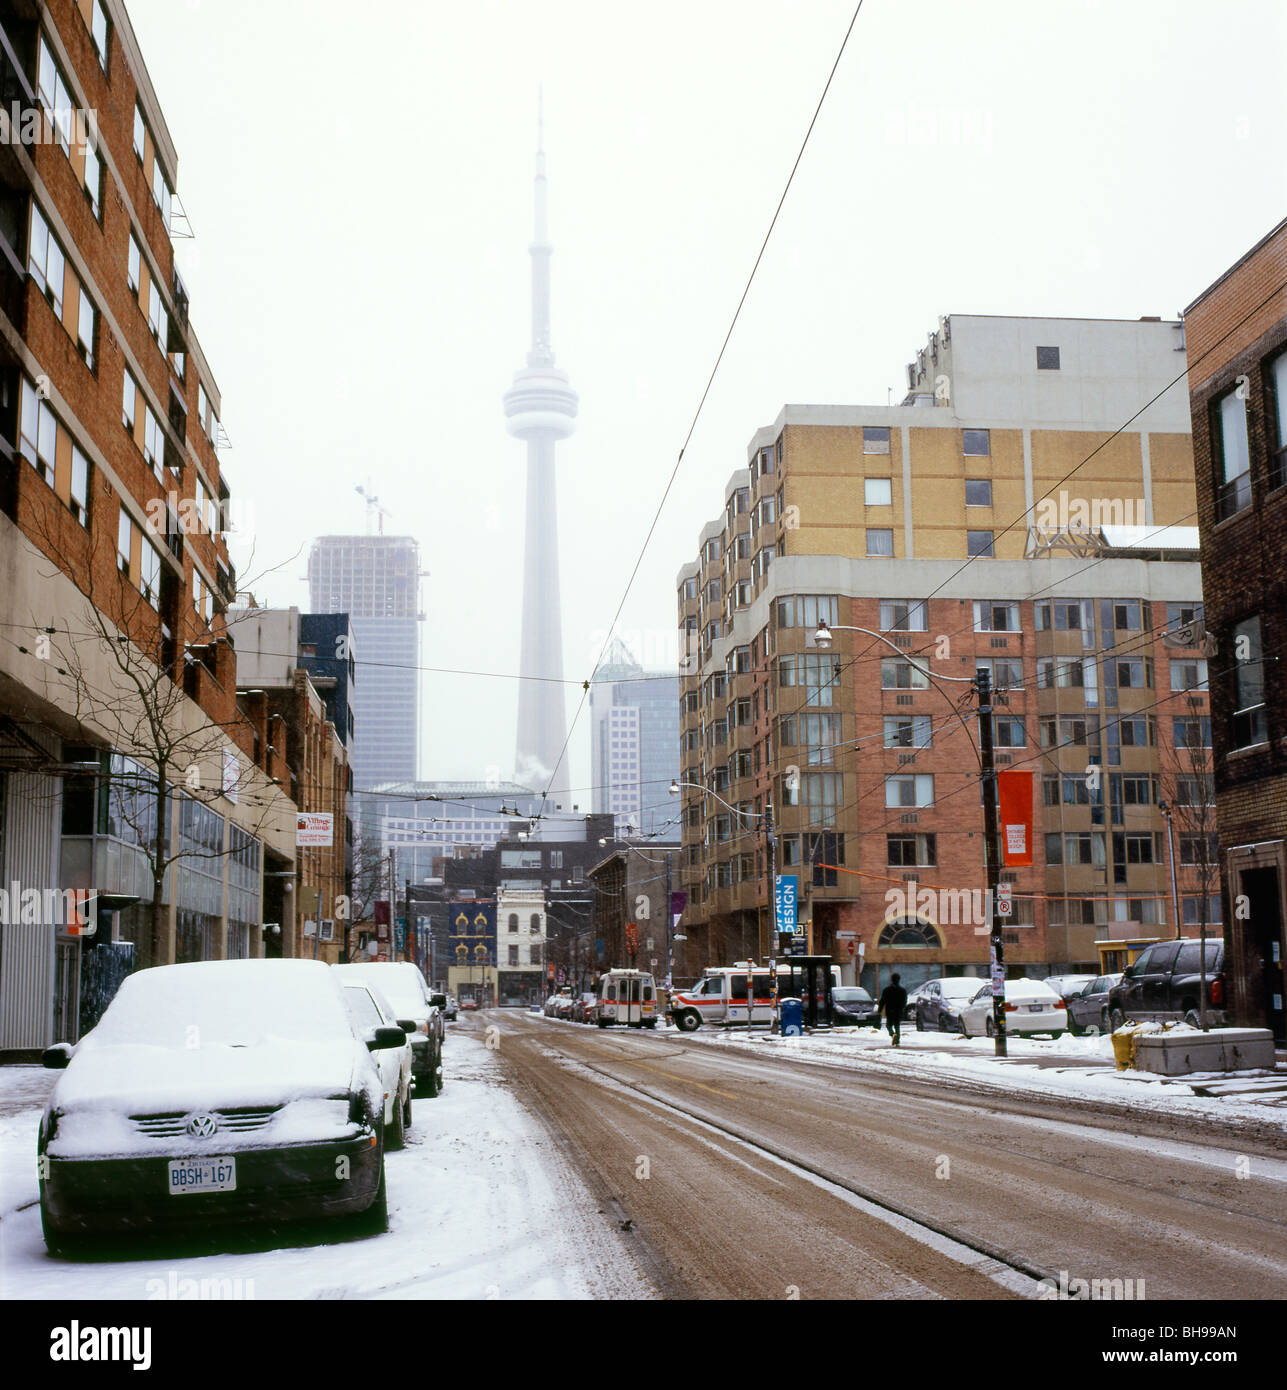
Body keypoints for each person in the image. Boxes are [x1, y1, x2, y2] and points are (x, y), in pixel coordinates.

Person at [879, 972, 908, 1046]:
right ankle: (897, 1041)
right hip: (898, 1011)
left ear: (891, 980)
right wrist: (902, 1008)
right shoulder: (902, 990)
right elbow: (904, 1001)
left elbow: (883, 1000)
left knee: (888, 1025)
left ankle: (892, 1034)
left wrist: (880, 1009)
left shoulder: (887, 990)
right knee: (897, 1025)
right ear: (899, 980)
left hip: (890, 1010)